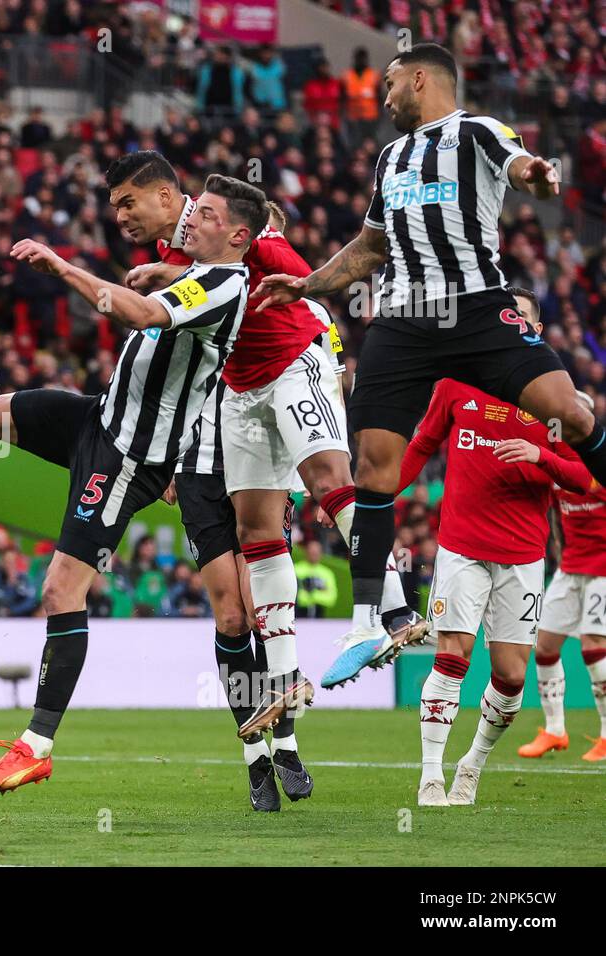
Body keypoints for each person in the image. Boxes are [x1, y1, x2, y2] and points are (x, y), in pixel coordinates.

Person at [0, 175, 260, 793]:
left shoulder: (226, 283)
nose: (191, 219)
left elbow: (139, 313)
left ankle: (36, 745)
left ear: (235, 234)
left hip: (127, 457)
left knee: (60, 590)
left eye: (204, 213)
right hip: (97, 421)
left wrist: (62, 267)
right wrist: (157, 274)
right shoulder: (194, 275)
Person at [257, 43, 596, 691]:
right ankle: (366, 623)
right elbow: (371, 246)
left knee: (569, 412)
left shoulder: (475, 130)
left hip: (476, 308)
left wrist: (539, 175)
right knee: (373, 466)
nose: (383, 99)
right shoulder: (390, 158)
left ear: (419, 79)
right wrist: (308, 286)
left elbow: (520, 163)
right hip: (403, 323)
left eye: (388, 85)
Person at [124, 157, 420, 737]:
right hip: (240, 389)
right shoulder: (174, 259)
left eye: (128, 203)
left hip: (293, 364)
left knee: (328, 480)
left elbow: (308, 287)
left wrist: (327, 351)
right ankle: (286, 678)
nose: (122, 216)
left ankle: (396, 609)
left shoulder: (249, 240)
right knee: (255, 529)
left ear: (167, 198)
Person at [396, 302, 596, 806]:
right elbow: (420, 445)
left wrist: (542, 457)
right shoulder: (456, 382)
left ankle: (473, 764)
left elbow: (588, 476)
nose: (513, 323)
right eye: (506, 314)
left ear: (535, 328)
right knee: (451, 658)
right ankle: (430, 776)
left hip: (524, 556)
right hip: (461, 546)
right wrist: (377, 500)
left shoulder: (554, 397)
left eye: (522, 316)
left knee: (510, 678)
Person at [519, 390, 606, 762]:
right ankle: (555, 731)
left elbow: (584, 483)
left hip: (603, 566)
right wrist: (557, 554)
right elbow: (556, 516)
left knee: (592, 646)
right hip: (571, 566)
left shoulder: (596, 463)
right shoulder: (556, 464)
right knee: (545, 646)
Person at [294, 539, 338, 618]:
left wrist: (313, 595)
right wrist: (320, 595)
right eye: (312, 552)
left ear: (321, 553)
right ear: (306, 552)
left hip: (319, 615)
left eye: (316, 553)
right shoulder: (296, 569)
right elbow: (294, 596)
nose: (314, 554)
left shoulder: (327, 573)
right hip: (299, 614)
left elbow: (332, 598)